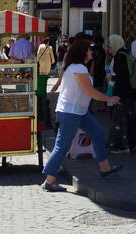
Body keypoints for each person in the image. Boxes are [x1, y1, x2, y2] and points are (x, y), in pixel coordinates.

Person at [40, 38, 122, 192]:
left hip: (78, 111)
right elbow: (89, 91)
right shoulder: (78, 68)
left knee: (97, 133)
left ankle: (105, 168)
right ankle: (49, 180)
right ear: (83, 52)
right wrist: (109, 99)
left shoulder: (76, 67)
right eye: (90, 49)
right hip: (71, 112)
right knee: (62, 146)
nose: (92, 51)